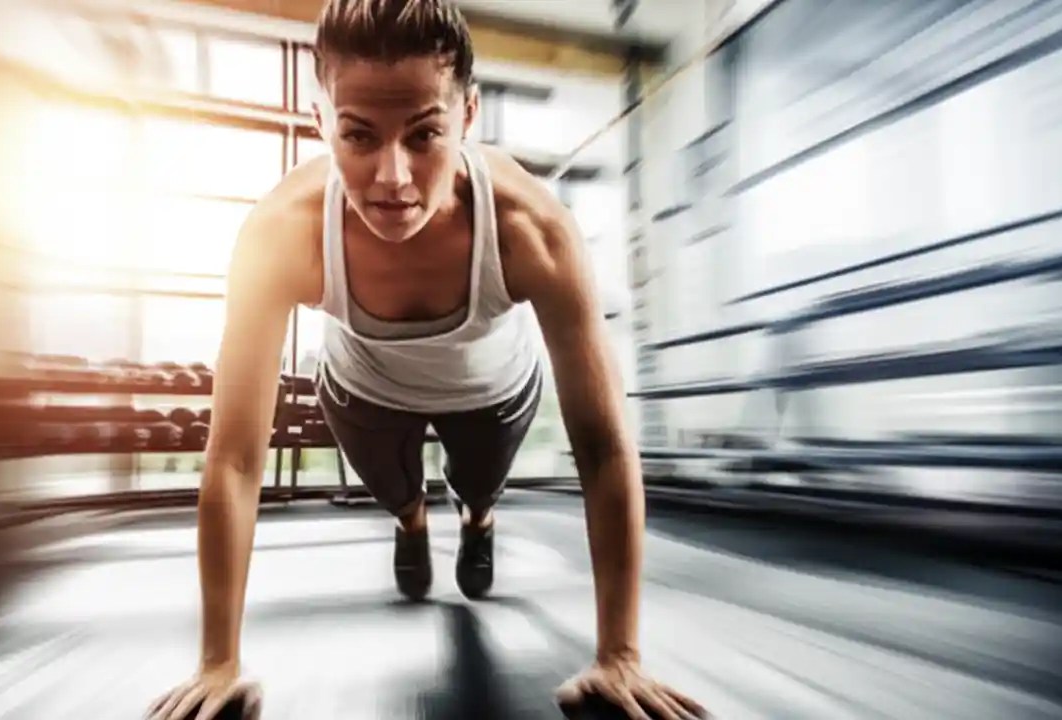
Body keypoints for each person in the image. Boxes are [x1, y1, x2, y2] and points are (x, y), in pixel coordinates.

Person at [147, 1, 707, 718]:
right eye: (358, 136)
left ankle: (476, 518)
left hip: (495, 394)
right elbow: (233, 459)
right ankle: (411, 519)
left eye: (424, 135)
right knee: (395, 493)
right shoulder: (280, 235)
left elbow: (602, 446)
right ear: (322, 123)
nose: (392, 176)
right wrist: (218, 662)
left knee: (478, 486)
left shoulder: (533, 229)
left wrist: (620, 655)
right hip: (363, 393)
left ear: (468, 116)